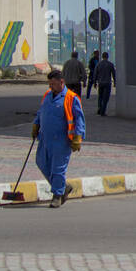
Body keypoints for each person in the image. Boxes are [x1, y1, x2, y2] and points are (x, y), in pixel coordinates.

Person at [32, 69, 85, 208]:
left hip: (61, 140)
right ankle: (63, 186)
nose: (51, 87)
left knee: (58, 169)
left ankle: (57, 195)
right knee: (41, 162)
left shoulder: (71, 98)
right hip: (44, 138)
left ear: (62, 82)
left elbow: (79, 119)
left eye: (53, 84)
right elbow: (41, 111)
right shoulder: (47, 95)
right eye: (49, 84)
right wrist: (36, 125)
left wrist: (78, 137)